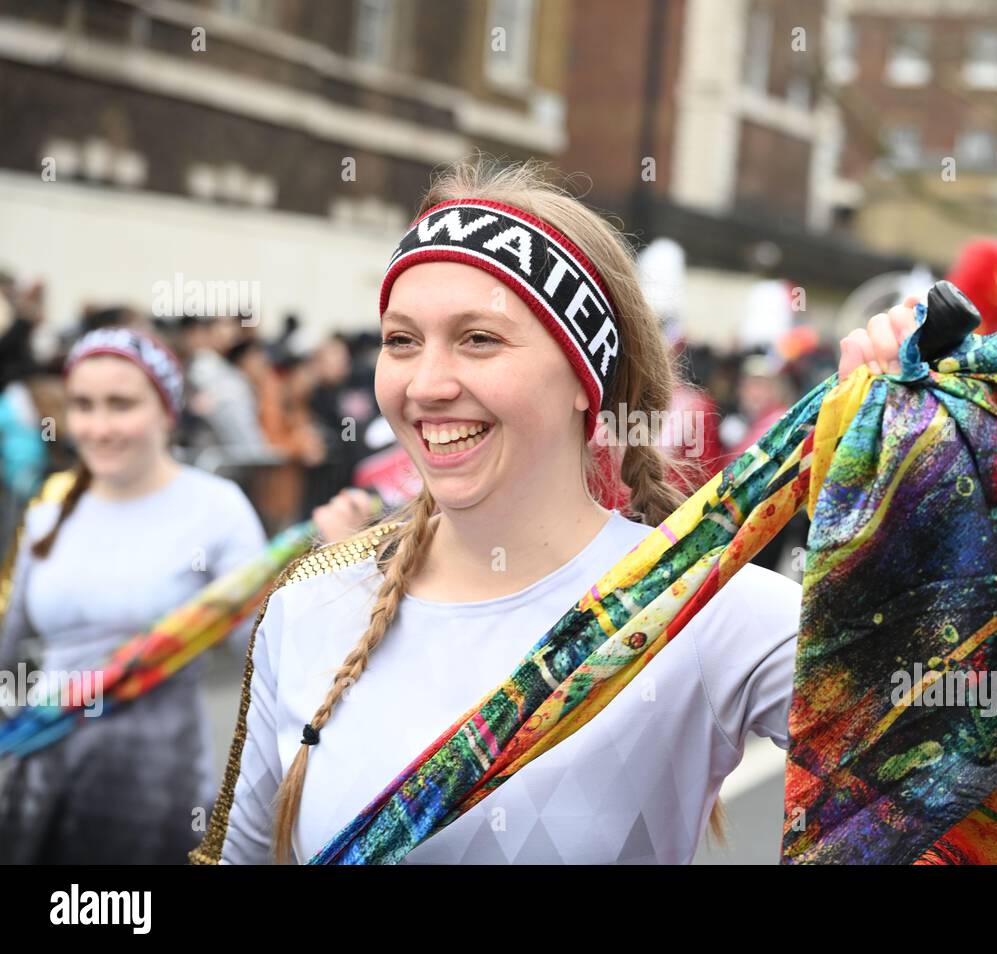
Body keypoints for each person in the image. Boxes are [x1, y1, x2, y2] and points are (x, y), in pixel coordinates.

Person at [214, 156, 919, 865]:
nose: (424, 384)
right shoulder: (309, 606)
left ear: (588, 379)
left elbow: (960, 775)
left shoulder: (711, 615)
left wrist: (923, 475)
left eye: (479, 339)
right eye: (402, 340)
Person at [0, 326, 268, 864]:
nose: (98, 427)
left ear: (168, 410)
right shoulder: (51, 509)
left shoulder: (216, 506)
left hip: (159, 794)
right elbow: (7, 647)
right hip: (39, 785)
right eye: (83, 405)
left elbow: (264, 654)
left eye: (121, 404)